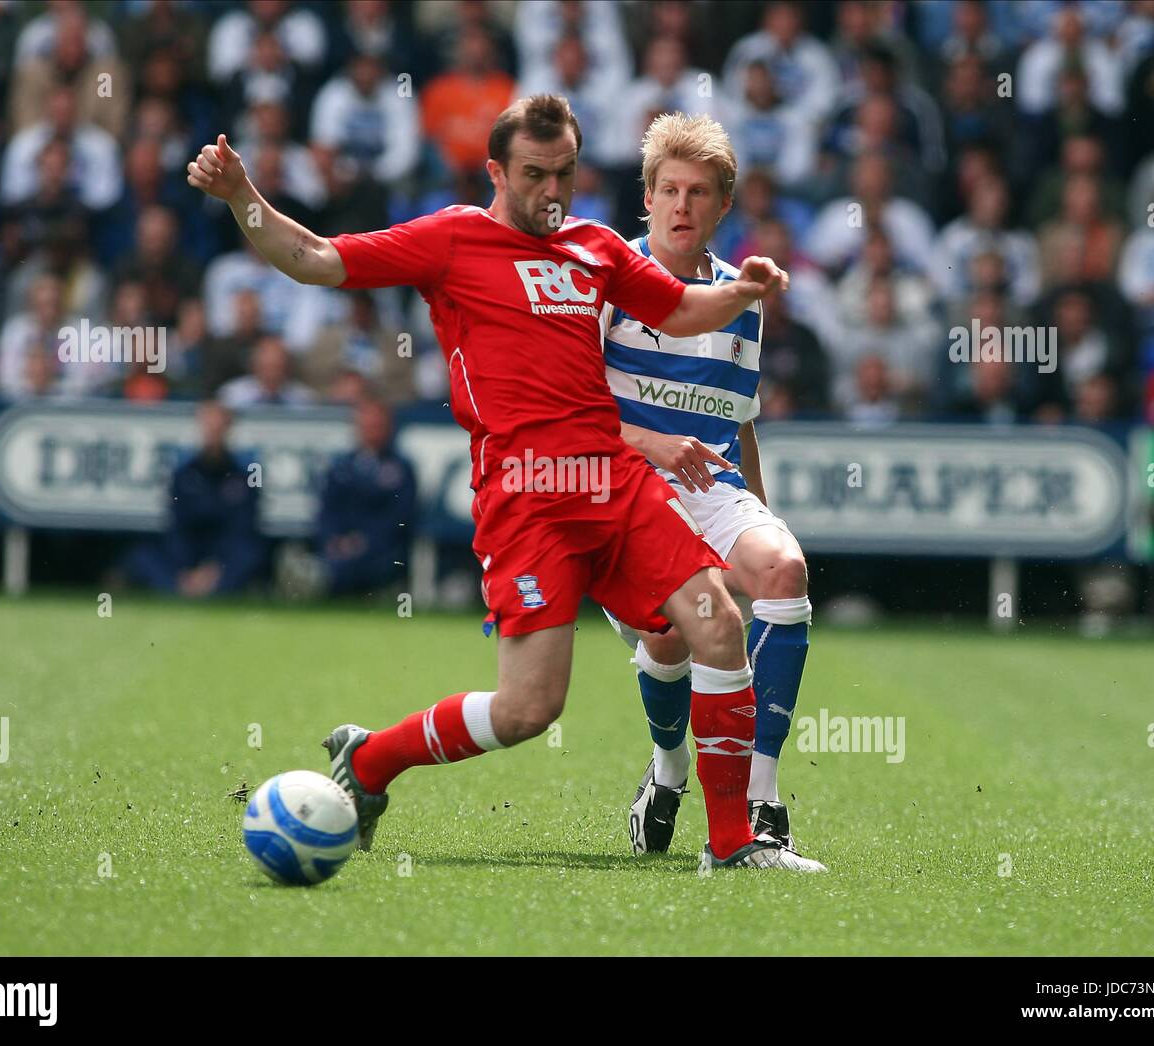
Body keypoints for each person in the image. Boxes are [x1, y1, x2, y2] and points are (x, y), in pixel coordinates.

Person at [186, 93, 815, 872]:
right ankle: (373, 758)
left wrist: (743, 289)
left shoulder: (593, 247)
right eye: (534, 175)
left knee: (716, 620)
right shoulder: (451, 239)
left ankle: (735, 845)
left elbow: (682, 307)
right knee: (528, 710)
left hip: (614, 480)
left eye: (566, 175)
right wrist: (242, 198)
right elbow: (315, 258)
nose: (553, 193)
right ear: (495, 170)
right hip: (525, 496)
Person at [600, 113, 823, 870]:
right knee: (671, 636)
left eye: (699, 192)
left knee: (785, 572)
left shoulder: (742, 296)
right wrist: (653, 443)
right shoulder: (606, 283)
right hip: (626, 490)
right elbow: (575, 416)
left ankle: (763, 804)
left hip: (716, 488)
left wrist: (765, 513)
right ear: (648, 198)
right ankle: (667, 772)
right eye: (669, 189)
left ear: (723, 205)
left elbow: (741, 420)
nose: (682, 205)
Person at [124, 401, 266, 597]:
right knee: (143, 555)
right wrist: (187, 569)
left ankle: (209, 587)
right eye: (209, 426)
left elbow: (243, 529)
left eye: (219, 427)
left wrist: (214, 568)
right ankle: (184, 585)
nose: (213, 433)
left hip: (224, 557)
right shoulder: (183, 474)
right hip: (188, 555)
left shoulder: (246, 476)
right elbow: (176, 526)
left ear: (229, 429)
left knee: (251, 554)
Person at [315, 396, 416, 595]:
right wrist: (335, 539)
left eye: (377, 425)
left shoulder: (401, 469)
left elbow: (401, 516)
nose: (372, 431)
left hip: (382, 547)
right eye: (367, 426)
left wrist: (363, 540)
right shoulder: (340, 467)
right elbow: (327, 510)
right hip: (341, 546)